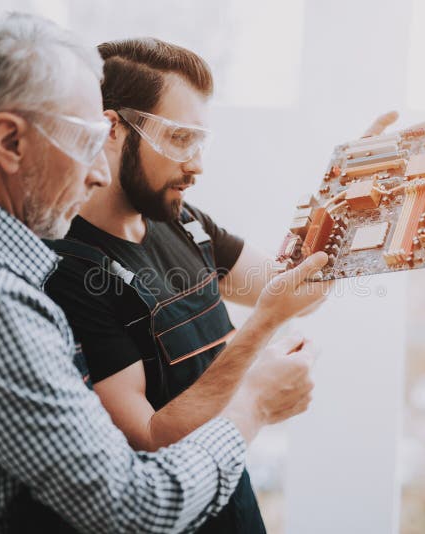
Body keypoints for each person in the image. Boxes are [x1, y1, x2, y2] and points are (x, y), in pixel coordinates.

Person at [0, 14, 324, 533]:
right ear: (10, 142)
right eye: (86, 141)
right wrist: (253, 405)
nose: (97, 172)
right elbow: (135, 510)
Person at [44, 37, 394, 533]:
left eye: (200, 141)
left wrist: (352, 191)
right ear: (111, 128)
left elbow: (291, 285)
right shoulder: (72, 271)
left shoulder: (183, 221)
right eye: (180, 139)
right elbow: (147, 442)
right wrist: (265, 326)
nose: (197, 164)